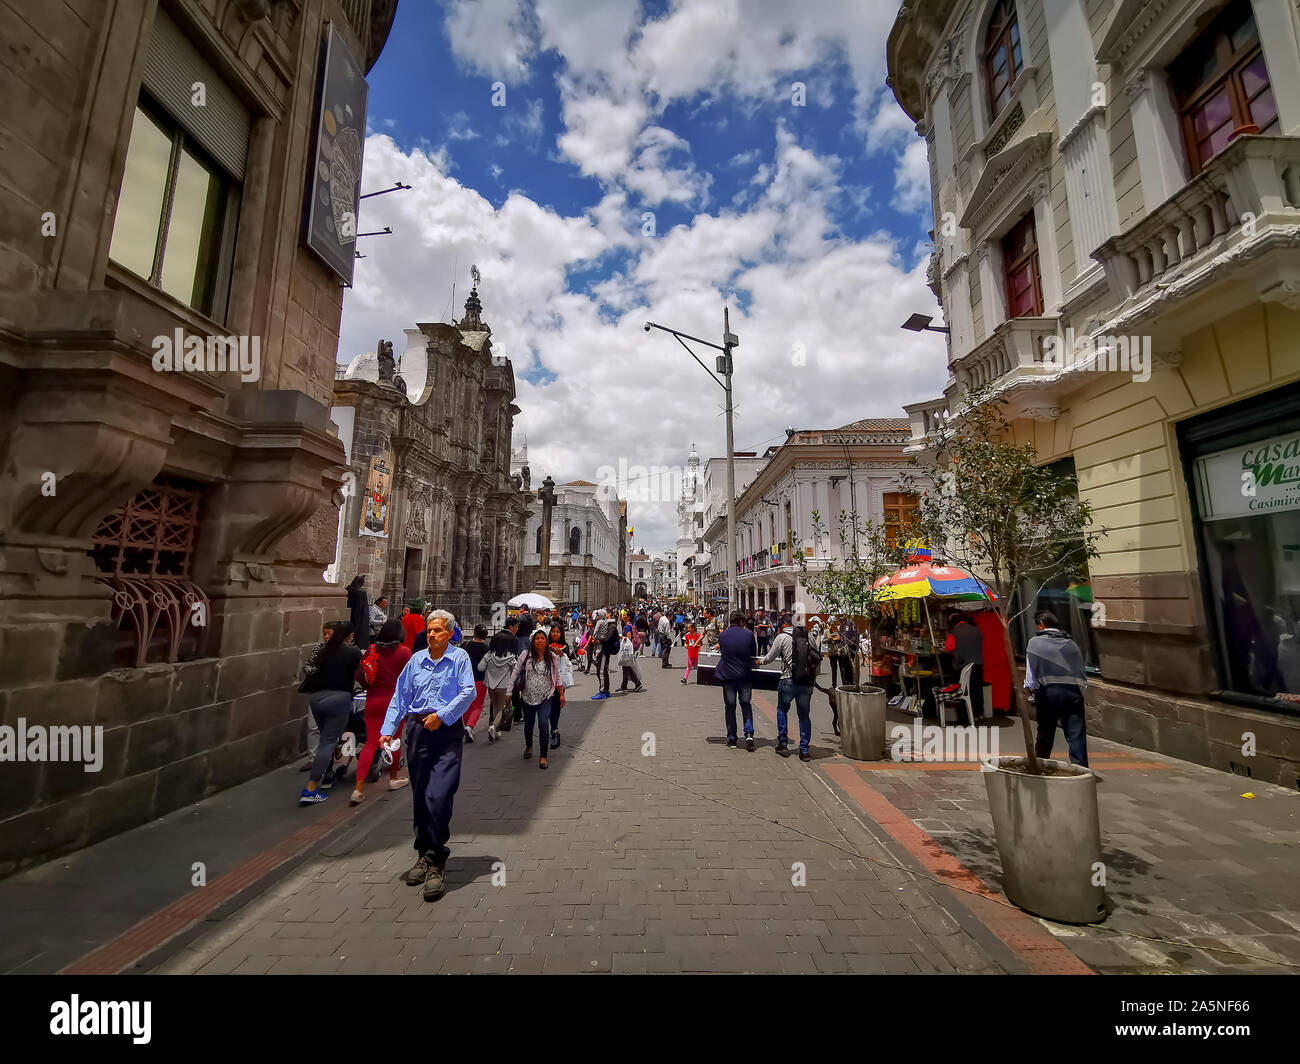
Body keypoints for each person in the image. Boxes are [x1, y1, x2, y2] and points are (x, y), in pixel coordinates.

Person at [381, 610, 476, 902]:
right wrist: (388, 729)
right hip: (418, 730)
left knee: (439, 795)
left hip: (446, 732)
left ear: (449, 633)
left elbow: (469, 692)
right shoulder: (416, 660)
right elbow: (400, 695)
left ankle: (437, 859)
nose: (432, 634)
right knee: (421, 795)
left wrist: (443, 715)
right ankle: (423, 852)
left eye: (437, 630)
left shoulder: (459, 658)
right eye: (429, 630)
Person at [298, 621, 362, 804]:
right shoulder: (353, 652)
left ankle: (328, 775)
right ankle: (310, 789)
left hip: (316, 699)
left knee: (326, 740)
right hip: (338, 698)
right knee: (328, 741)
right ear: (348, 636)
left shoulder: (323, 651)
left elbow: (311, 669)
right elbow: (363, 673)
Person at [350, 619, 411, 805]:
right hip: (394, 702)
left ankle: (358, 789)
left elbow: (359, 673)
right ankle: (393, 778)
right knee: (393, 741)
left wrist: (369, 686)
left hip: (373, 699)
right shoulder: (403, 652)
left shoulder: (372, 650)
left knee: (370, 743)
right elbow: (410, 678)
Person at [1025, 610, 1090, 766]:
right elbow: (1081, 673)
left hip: (1049, 693)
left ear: (1041, 624)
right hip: (1074, 692)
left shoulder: (1035, 643)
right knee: (1076, 735)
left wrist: (1031, 691)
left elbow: (1031, 676)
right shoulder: (1071, 644)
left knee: (1045, 733)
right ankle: (1081, 770)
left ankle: (1040, 765)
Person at [763, 622, 820, 762]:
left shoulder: (781, 637)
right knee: (804, 716)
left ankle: (783, 744)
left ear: (784, 625)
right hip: (806, 683)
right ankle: (804, 750)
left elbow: (770, 657)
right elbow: (816, 658)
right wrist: (813, 679)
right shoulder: (809, 637)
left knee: (782, 710)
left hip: (787, 680)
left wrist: (761, 662)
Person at [510, 628, 562, 769]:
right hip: (527, 697)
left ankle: (543, 755)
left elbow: (557, 676)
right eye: (537, 638)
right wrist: (509, 692)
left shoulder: (551, 657)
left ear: (546, 641)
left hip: (546, 697)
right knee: (529, 725)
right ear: (533, 641)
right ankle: (529, 746)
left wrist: (561, 693)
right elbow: (515, 672)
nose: (540, 641)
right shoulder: (525, 655)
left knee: (544, 724)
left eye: (542, 638)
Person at [715, 611, 757, 750]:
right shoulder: (749, 635)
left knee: (730, 706)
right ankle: (749, 733)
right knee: (746, 704)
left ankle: (732, 738)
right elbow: (753, 654)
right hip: (745, 676)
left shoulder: (722, 636)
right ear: (741, 622)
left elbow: (723, 652)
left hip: (728, 677)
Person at [300, 619, 336, 772]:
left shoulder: (344, 651)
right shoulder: (318, 649)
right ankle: (313, 758)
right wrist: (316, 671)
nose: (327, 637)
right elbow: (307, 666)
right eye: (325, 634)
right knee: (313, 727)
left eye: (330, 634)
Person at [944, 612, 985, 719]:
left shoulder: (954, 632)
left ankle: (966, 715)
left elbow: (948, 647)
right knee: (977, 690)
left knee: (964, 690)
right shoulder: (976, 630)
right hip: (978, 664)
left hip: (963, 666)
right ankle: (979, 713)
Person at [483, 622, 521, 741]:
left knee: (494, 706)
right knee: (501, 708)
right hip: (504, 686)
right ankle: (493, 727)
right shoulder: (510, 657)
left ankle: (496, 729)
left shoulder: (489, 655)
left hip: (490, 686)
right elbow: (516, 669)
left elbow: (480, 667)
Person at [461, 624, 490, 742]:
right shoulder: (486, 649)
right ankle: (470, 725)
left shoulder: (465, 645)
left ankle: (467, 725)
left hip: (465, 678)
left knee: (466, 704)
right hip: (479, 679)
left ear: (474, 633)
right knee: (477, 705)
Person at [547, 623, 574, 745]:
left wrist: (561, 655)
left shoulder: (565, 646)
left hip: (560, 680)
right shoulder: (544, 645)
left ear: (561, 633)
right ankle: (552, 727)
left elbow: (568, 662)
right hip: (546, 680)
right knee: (548, 706)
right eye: (553, 631)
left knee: (556, 705)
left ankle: (554, 729)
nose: (555, 634)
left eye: (558, 632)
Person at [591, 610, 619, 699]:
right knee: (603, 670)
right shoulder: (609, 624)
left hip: (604, 650)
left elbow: (606, 638)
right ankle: (606, 690)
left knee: (601, 671)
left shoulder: (611, 626)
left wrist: (598, 640)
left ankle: (603, 691)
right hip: (604, 649)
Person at [346, 576, 368, 646]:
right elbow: (364, 609)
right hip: (358, 618)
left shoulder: (347, 590)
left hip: (348, 617)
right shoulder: (362, 593)